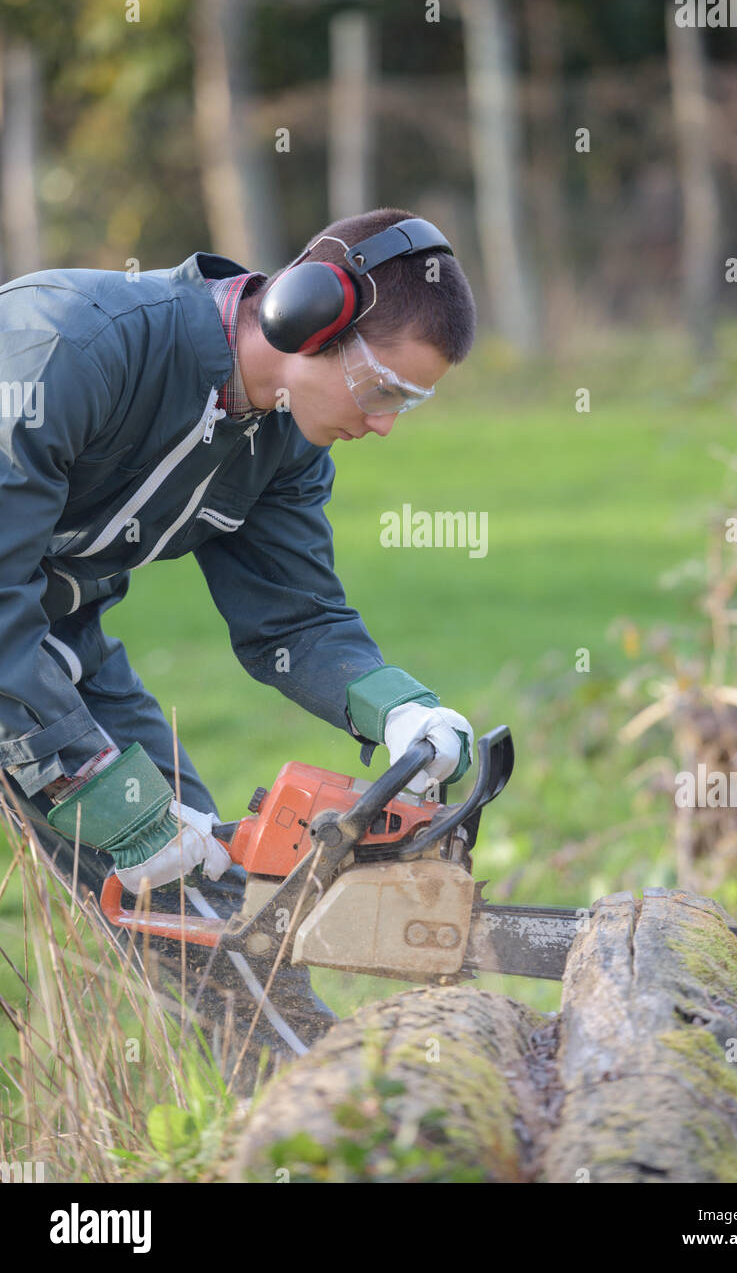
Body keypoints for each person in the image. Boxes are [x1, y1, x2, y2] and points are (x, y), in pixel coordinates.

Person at [0, 206, 476, 901]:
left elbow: (292, 622)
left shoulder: (287, 447)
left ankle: (297, 1019)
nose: (381, 425)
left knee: (201, 903)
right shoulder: (72, 345)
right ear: (307, 317)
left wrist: (400, 710)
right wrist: (90, 779)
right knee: (135, 821)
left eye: (405, 404)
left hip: (49, 651)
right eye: (381, 390)